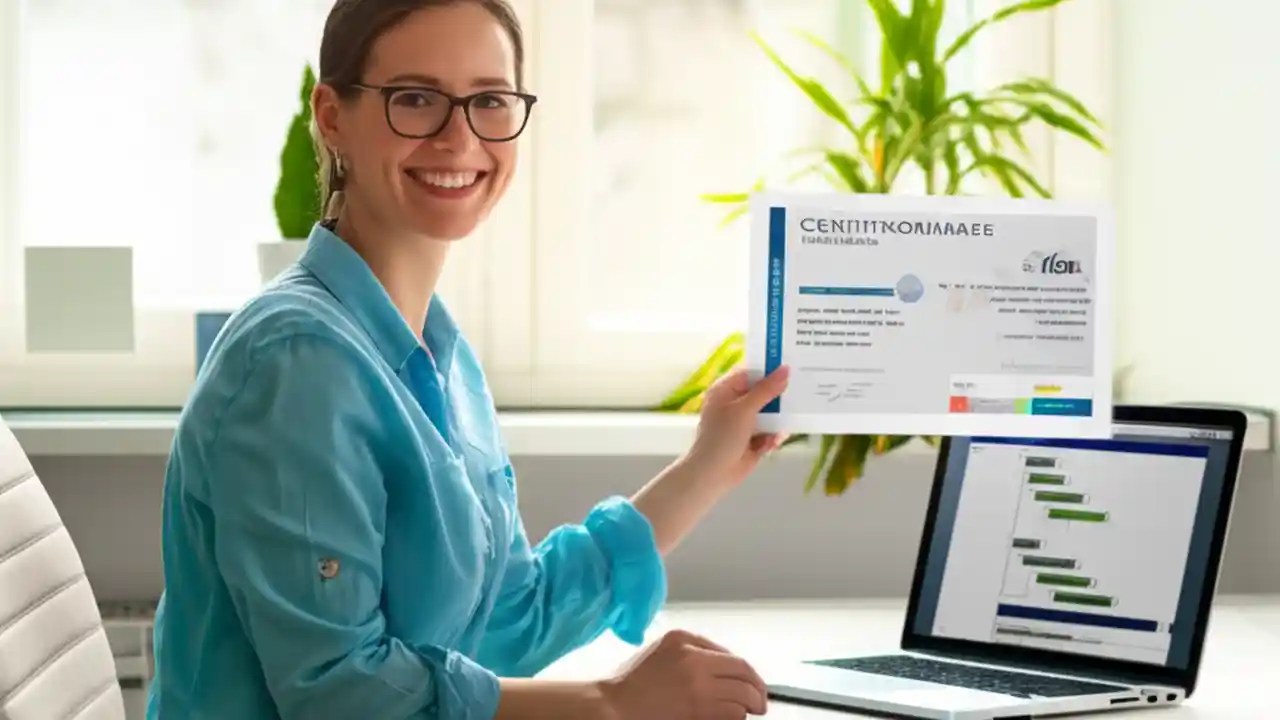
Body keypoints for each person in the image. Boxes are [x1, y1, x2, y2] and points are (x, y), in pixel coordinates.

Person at [146, 0, 791, 718]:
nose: (460, 138)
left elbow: (507, 619)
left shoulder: (437, 355)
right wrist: (612, 702)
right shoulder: (297, 363)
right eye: (416, 100)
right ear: (332, 117)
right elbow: (339, 691)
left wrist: (709, 466)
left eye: (489, 101)